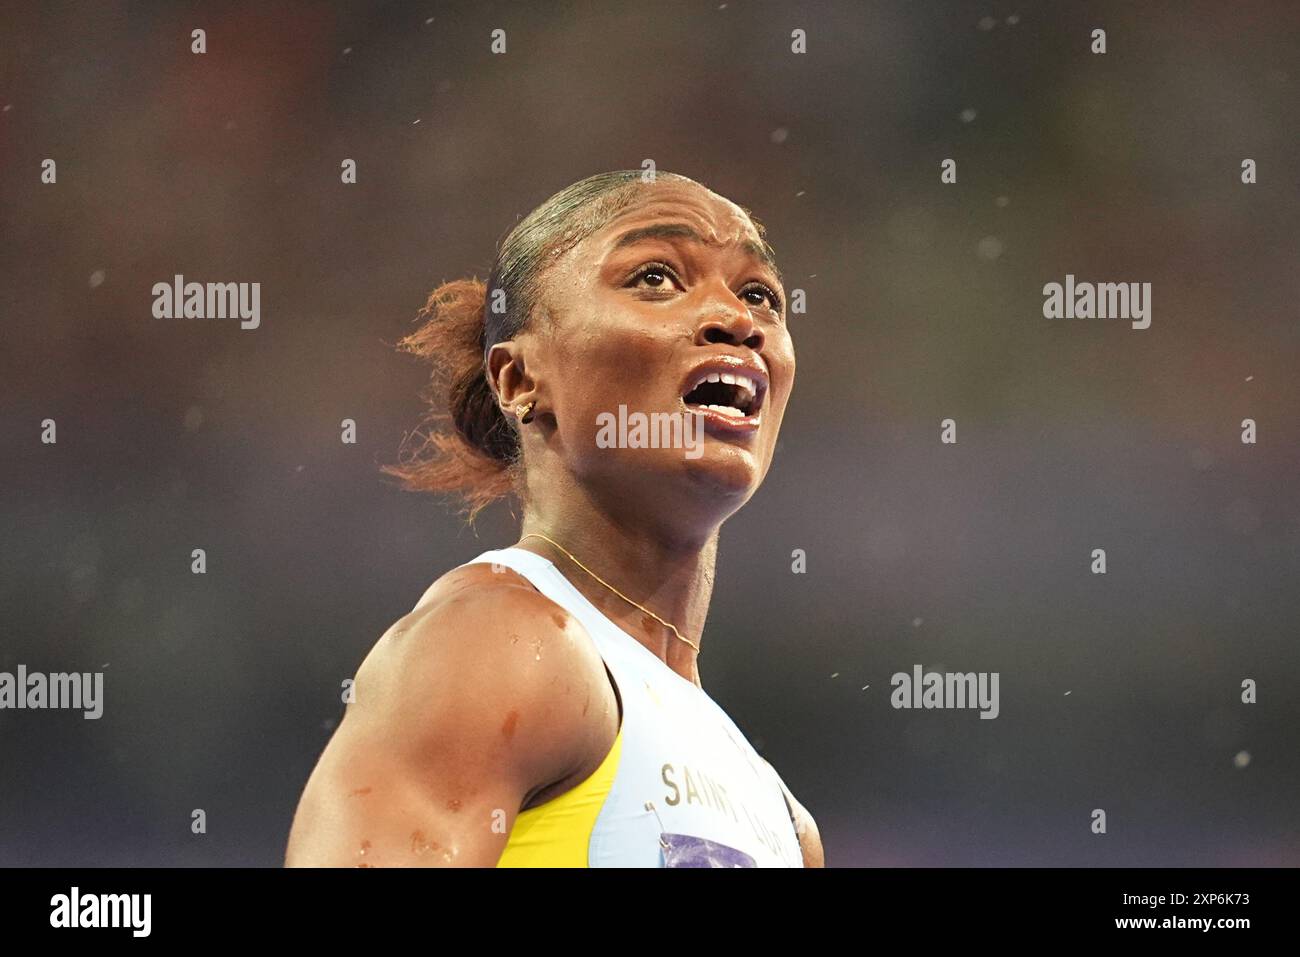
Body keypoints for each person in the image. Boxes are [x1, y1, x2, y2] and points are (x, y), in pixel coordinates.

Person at [285, 170, 823, 867]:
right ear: (517, 379)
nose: (738, 319)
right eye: (656, 277)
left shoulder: (783, 816)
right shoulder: (496, 643)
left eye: (759, 295)